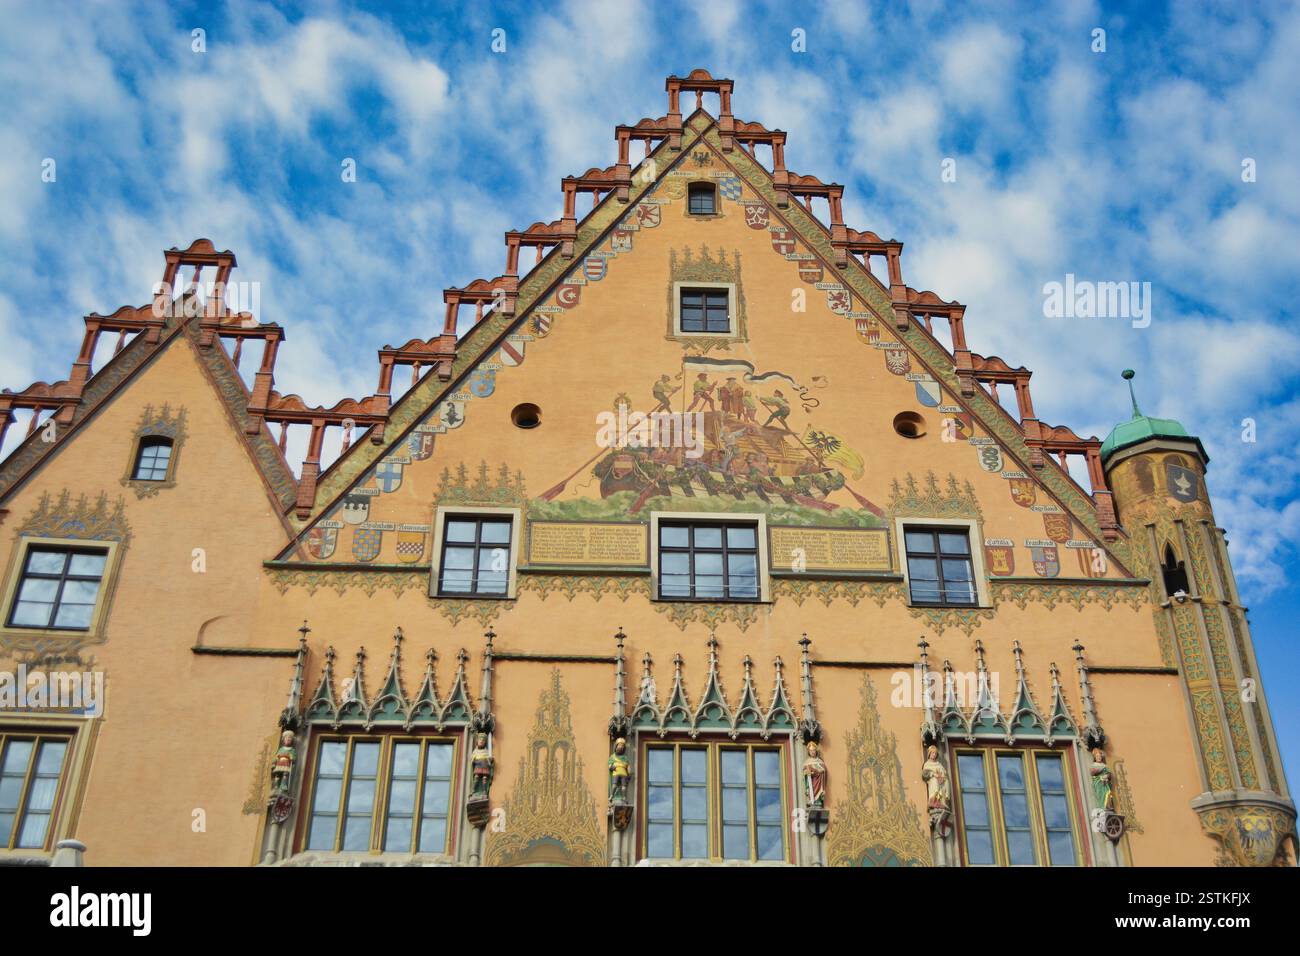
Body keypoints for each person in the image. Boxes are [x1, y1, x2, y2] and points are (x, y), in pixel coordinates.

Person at [802, 741, 827, 808]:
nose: (812, 752)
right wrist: (808, 773)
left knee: (818, 791)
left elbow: (823, 770)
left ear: (816, 751)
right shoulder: (807, 762)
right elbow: (805, 771)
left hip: (819, 781)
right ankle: (811, 800)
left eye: (814, 750)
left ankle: (817, 800)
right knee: (811, 790)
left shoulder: (819, 761)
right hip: (811, 781)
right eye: (811, 751)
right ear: (809, 752)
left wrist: (820, 771)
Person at [471, 732, 494, 800]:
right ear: (477, 741)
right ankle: (473, 791)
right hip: (478, 765)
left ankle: (484, 791)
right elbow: (472, 759)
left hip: (484, 765)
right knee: (476, 777)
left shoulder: (486, 751)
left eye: (483, 740)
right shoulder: (475, 751)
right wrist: (475, 761)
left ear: (485, 743)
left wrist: (490, 760)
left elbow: (489, 759)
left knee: (484, 778)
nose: (481, 741)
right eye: (480, 740)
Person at [609, 738, 631, 802]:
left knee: (624, 786)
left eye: (622, 746)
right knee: (614, 784)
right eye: (619, 745)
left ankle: (624, 797)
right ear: (616, 747)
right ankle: (612, 795)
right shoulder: (613, 756)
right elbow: (610, 763)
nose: (620, 747)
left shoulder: (625, 758)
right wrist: (611, 767)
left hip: (623, 773)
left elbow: (628, 766)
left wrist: (629, 773)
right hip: (616, 771)